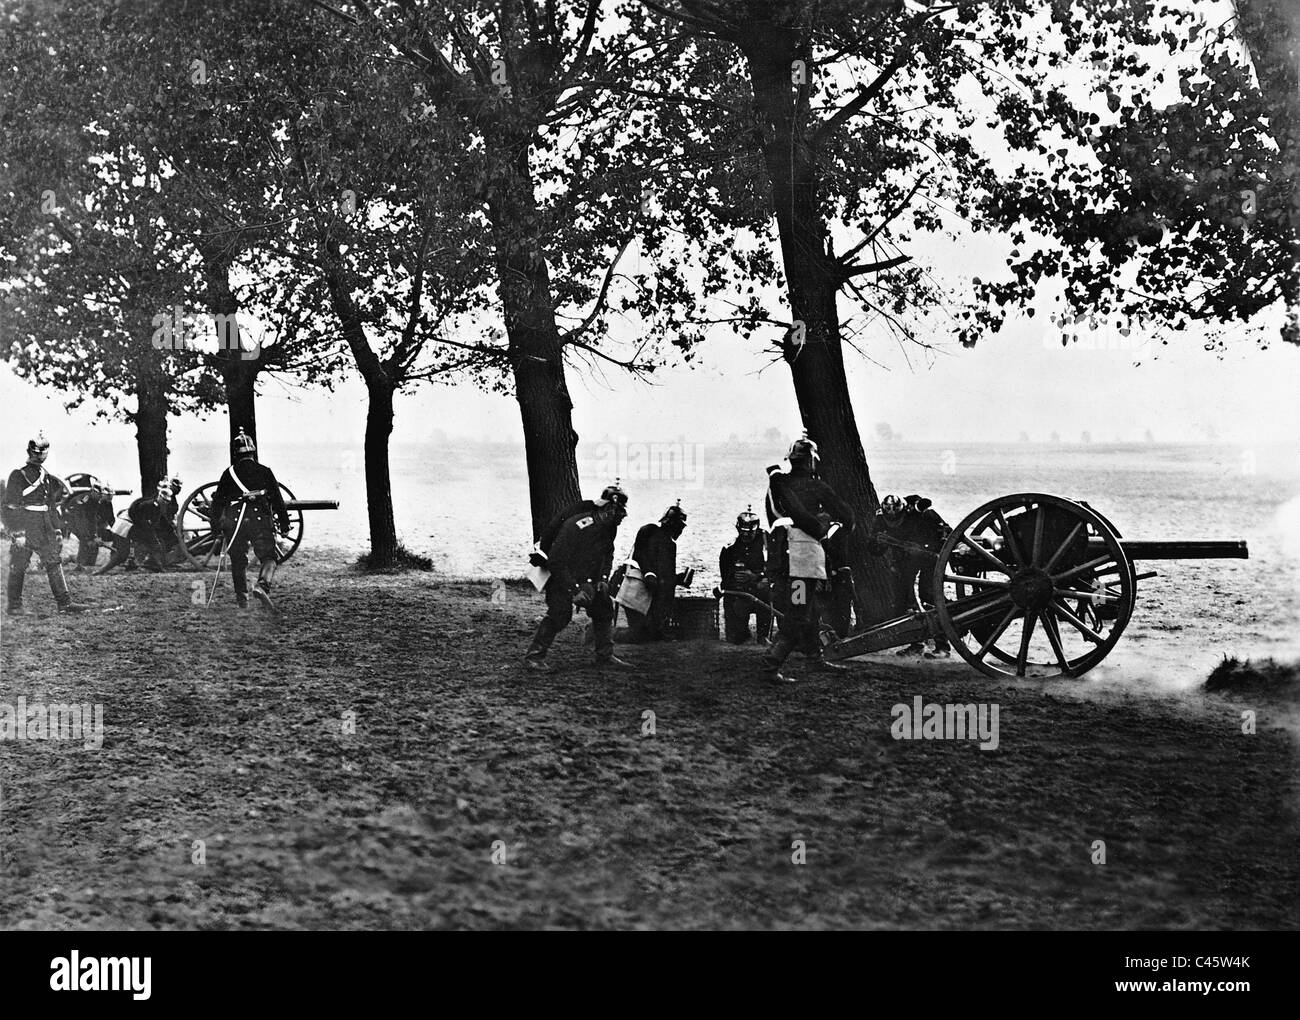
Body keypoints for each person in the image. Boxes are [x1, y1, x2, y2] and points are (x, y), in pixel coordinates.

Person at [761, 434, 854, 683]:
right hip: (803, 562)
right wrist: (826, 527)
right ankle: (771, 665)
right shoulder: (817, 487)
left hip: (782, 560)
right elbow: (848, 517)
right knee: (799, 612)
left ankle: (814, 658)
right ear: (812, 461)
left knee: (809, 610)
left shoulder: (777, 486)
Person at [524, 483, 635, 672]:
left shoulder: (609, 528)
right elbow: (557, 561)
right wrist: (574, 590)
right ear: (608, 509)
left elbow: (607, 554)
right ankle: (535, 656)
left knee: (604, 609)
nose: (620, 520)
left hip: (588, 579)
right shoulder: (577, 526)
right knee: (560, 614)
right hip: (560, 577)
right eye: (618, 514)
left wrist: (603, 578)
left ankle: (604, 656)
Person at [3, 433, 87, 615]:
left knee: (53, 561)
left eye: (42, 453)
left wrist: (56, 528)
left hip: (45, 524)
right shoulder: (18, 475)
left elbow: (50, 505)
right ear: (29, 452)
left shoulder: (46, 476)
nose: (39, 456)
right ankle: (15, 606)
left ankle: (64, 604)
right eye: (36, 452)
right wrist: (18, 532)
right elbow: (10, 505)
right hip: (26, 523)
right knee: (19, 564)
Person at [208, 429, 291, 610]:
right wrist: (284, 524)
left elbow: (217, 503)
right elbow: (277, 499)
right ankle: (262, 586)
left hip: (234, 522)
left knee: (238, 560)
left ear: (236, 453)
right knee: (269, 557)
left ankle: (242, 600)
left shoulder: (228, 473)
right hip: (259, 520)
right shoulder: (265, 471)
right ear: (253, 452)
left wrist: (215, 528)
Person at [875, 493, 952, 658]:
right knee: (903, 600)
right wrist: (878, 544)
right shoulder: (880, 519)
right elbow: (873, 548)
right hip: (907, 560)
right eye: (890, 520)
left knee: (929, 595)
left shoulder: (922, 515)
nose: (894, 523)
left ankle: (943, 646)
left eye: (898, 520)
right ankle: (916, 644)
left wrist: (927, 548)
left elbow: (946, 535)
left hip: (931, 556)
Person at [624, 501, 690, 642]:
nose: (680, 530)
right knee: (638, 636)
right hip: (636, 590)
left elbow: (665, 577)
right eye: (679, 526)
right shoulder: (650, 532)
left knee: (647, 634)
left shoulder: (669, 544)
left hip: (649, 593)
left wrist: (678, 579)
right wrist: (649, 573)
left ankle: (655, 629)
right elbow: (640, 556)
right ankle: (601, 633)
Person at [96, 476, 184, 575]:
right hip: (125, 525)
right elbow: (134, 510)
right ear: (159, 497)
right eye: (164, 500)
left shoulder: (157, 506)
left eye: (167, 501)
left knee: (153, 543)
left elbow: (162, 521)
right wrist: (143, 526)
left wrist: (172, 533)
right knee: (123, 554)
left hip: (131, 525)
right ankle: (100, 571)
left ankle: (154, 566)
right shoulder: (149, 504)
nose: (165, 503)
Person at [719, 506, 771, 644]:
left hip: (759, 590)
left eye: (750, 533)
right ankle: (738, 632)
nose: (746, 536)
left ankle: (763, 635)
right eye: (743, 532)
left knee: (766, 590)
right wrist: (736, 581)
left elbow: (774, 568)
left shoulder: (767, 544)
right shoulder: (729, 548)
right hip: (740, 592)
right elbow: (725, 578)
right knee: (736, 639)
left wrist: (755, 577)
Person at [62, 473, 117, 569]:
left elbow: (110, 519)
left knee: (90, 560)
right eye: (100, 495)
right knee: (87, 541)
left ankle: (73, 559)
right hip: (74, 522)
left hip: (87, 524)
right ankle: (80, 564)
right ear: (94, 492)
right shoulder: (86, 501)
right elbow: (83, 521)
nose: (102, 497)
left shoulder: (102, 501)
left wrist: (118, 532)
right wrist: (92, 537)